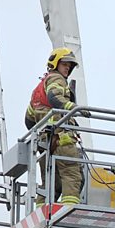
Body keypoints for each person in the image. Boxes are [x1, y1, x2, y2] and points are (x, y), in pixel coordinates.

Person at [25, 48, 83, 205]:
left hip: (46, 145)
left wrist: (42, 133)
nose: (67, 68)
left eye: (69, 66)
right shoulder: (57, 80)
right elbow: (54, 97)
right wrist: (73, 108)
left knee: (51, 182)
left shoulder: (38, 89)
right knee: (72, 174)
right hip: (62, 139)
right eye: (64, 64)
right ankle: (68, 210)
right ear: (55, 63)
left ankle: (40, 213)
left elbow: (29, 120)